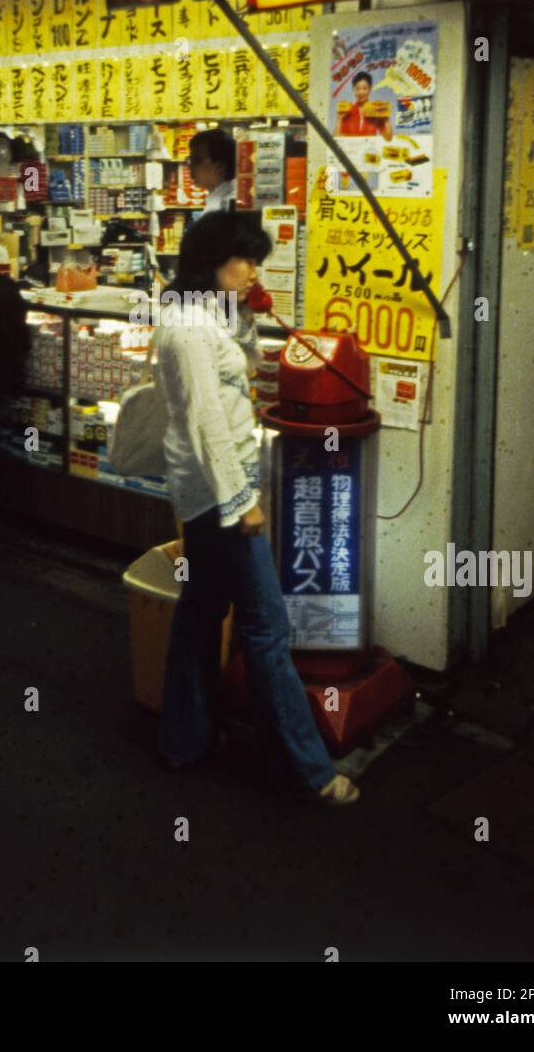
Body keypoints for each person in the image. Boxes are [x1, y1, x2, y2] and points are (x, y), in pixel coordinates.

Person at [153, 210, 359, 805]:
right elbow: (204, 421)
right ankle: (312, 771)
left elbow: (240, 374)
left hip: (215, 491)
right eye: (242, 260)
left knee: (201, 611)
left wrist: (247, 311)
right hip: (219, 497)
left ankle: (183, 737)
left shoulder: (207, 317)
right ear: (209, 262)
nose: (252, 271)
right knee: (267, 627)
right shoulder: (187, 328)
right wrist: (241, 502)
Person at [188, 129, 237, 212]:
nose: (190, 166)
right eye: (189, 160)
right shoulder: (217, 200)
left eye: (196, 160)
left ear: (220, 166)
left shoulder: (225, 206)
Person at [337, 70, 394, 141]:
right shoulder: (348, 110)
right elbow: (337, 138)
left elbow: (388, 138)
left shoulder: (377, 110)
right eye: (357, 89)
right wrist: (339, 119)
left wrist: (386, 120)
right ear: (353, 90)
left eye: (365, 88)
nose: (361, 92)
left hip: (369, 150)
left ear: (369, 90)